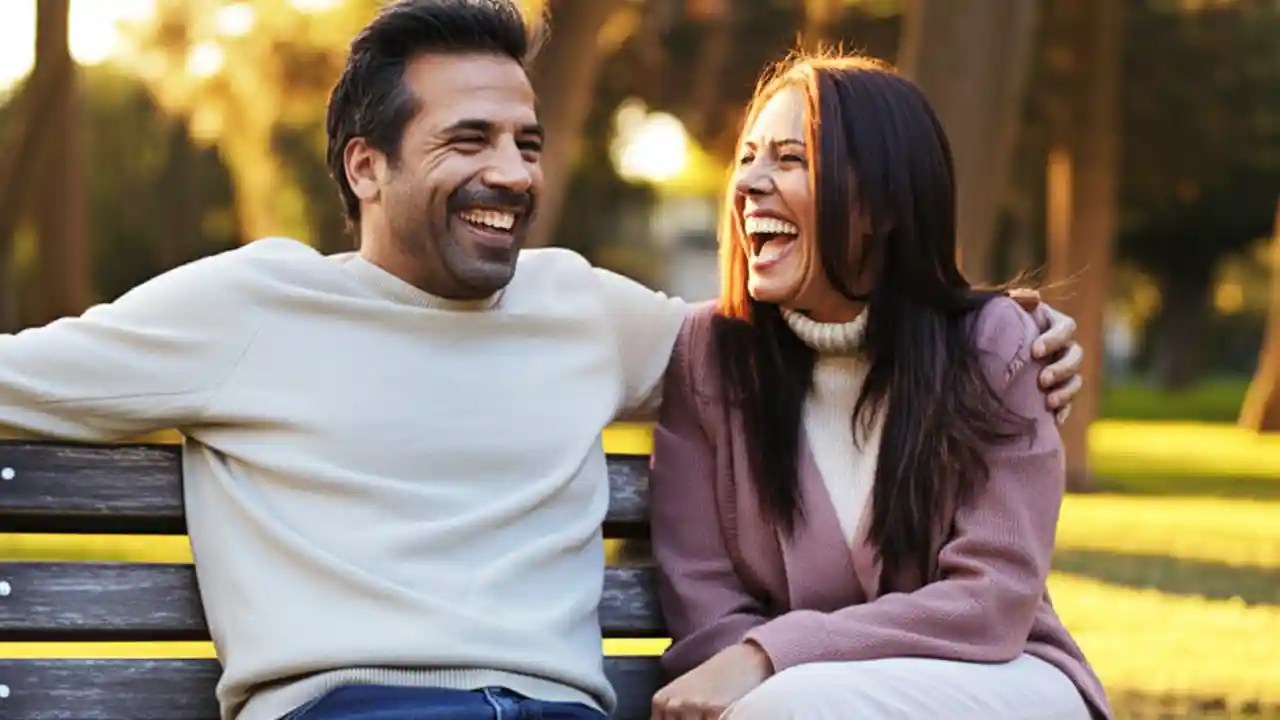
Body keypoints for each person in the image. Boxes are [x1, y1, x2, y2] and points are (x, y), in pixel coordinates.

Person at [0, 3, 1082, 719]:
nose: (513, 173)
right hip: (356, 706)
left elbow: (818, 322)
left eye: (526, 143)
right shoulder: (247, 307)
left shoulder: (587, 310)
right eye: (469, 140)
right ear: (366, 167)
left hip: (559, 709)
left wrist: (1010, 331)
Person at [649, 53, 1111, 720]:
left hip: (999, 679)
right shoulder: (707, 354)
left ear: (883, 203)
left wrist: (772, 654)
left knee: (792, 706)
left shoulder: (995, 345)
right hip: (789, 703)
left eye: (790, 159)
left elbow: (990, 599)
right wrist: (755, 664)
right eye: (747, 158)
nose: (748, 182)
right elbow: (704, 600)